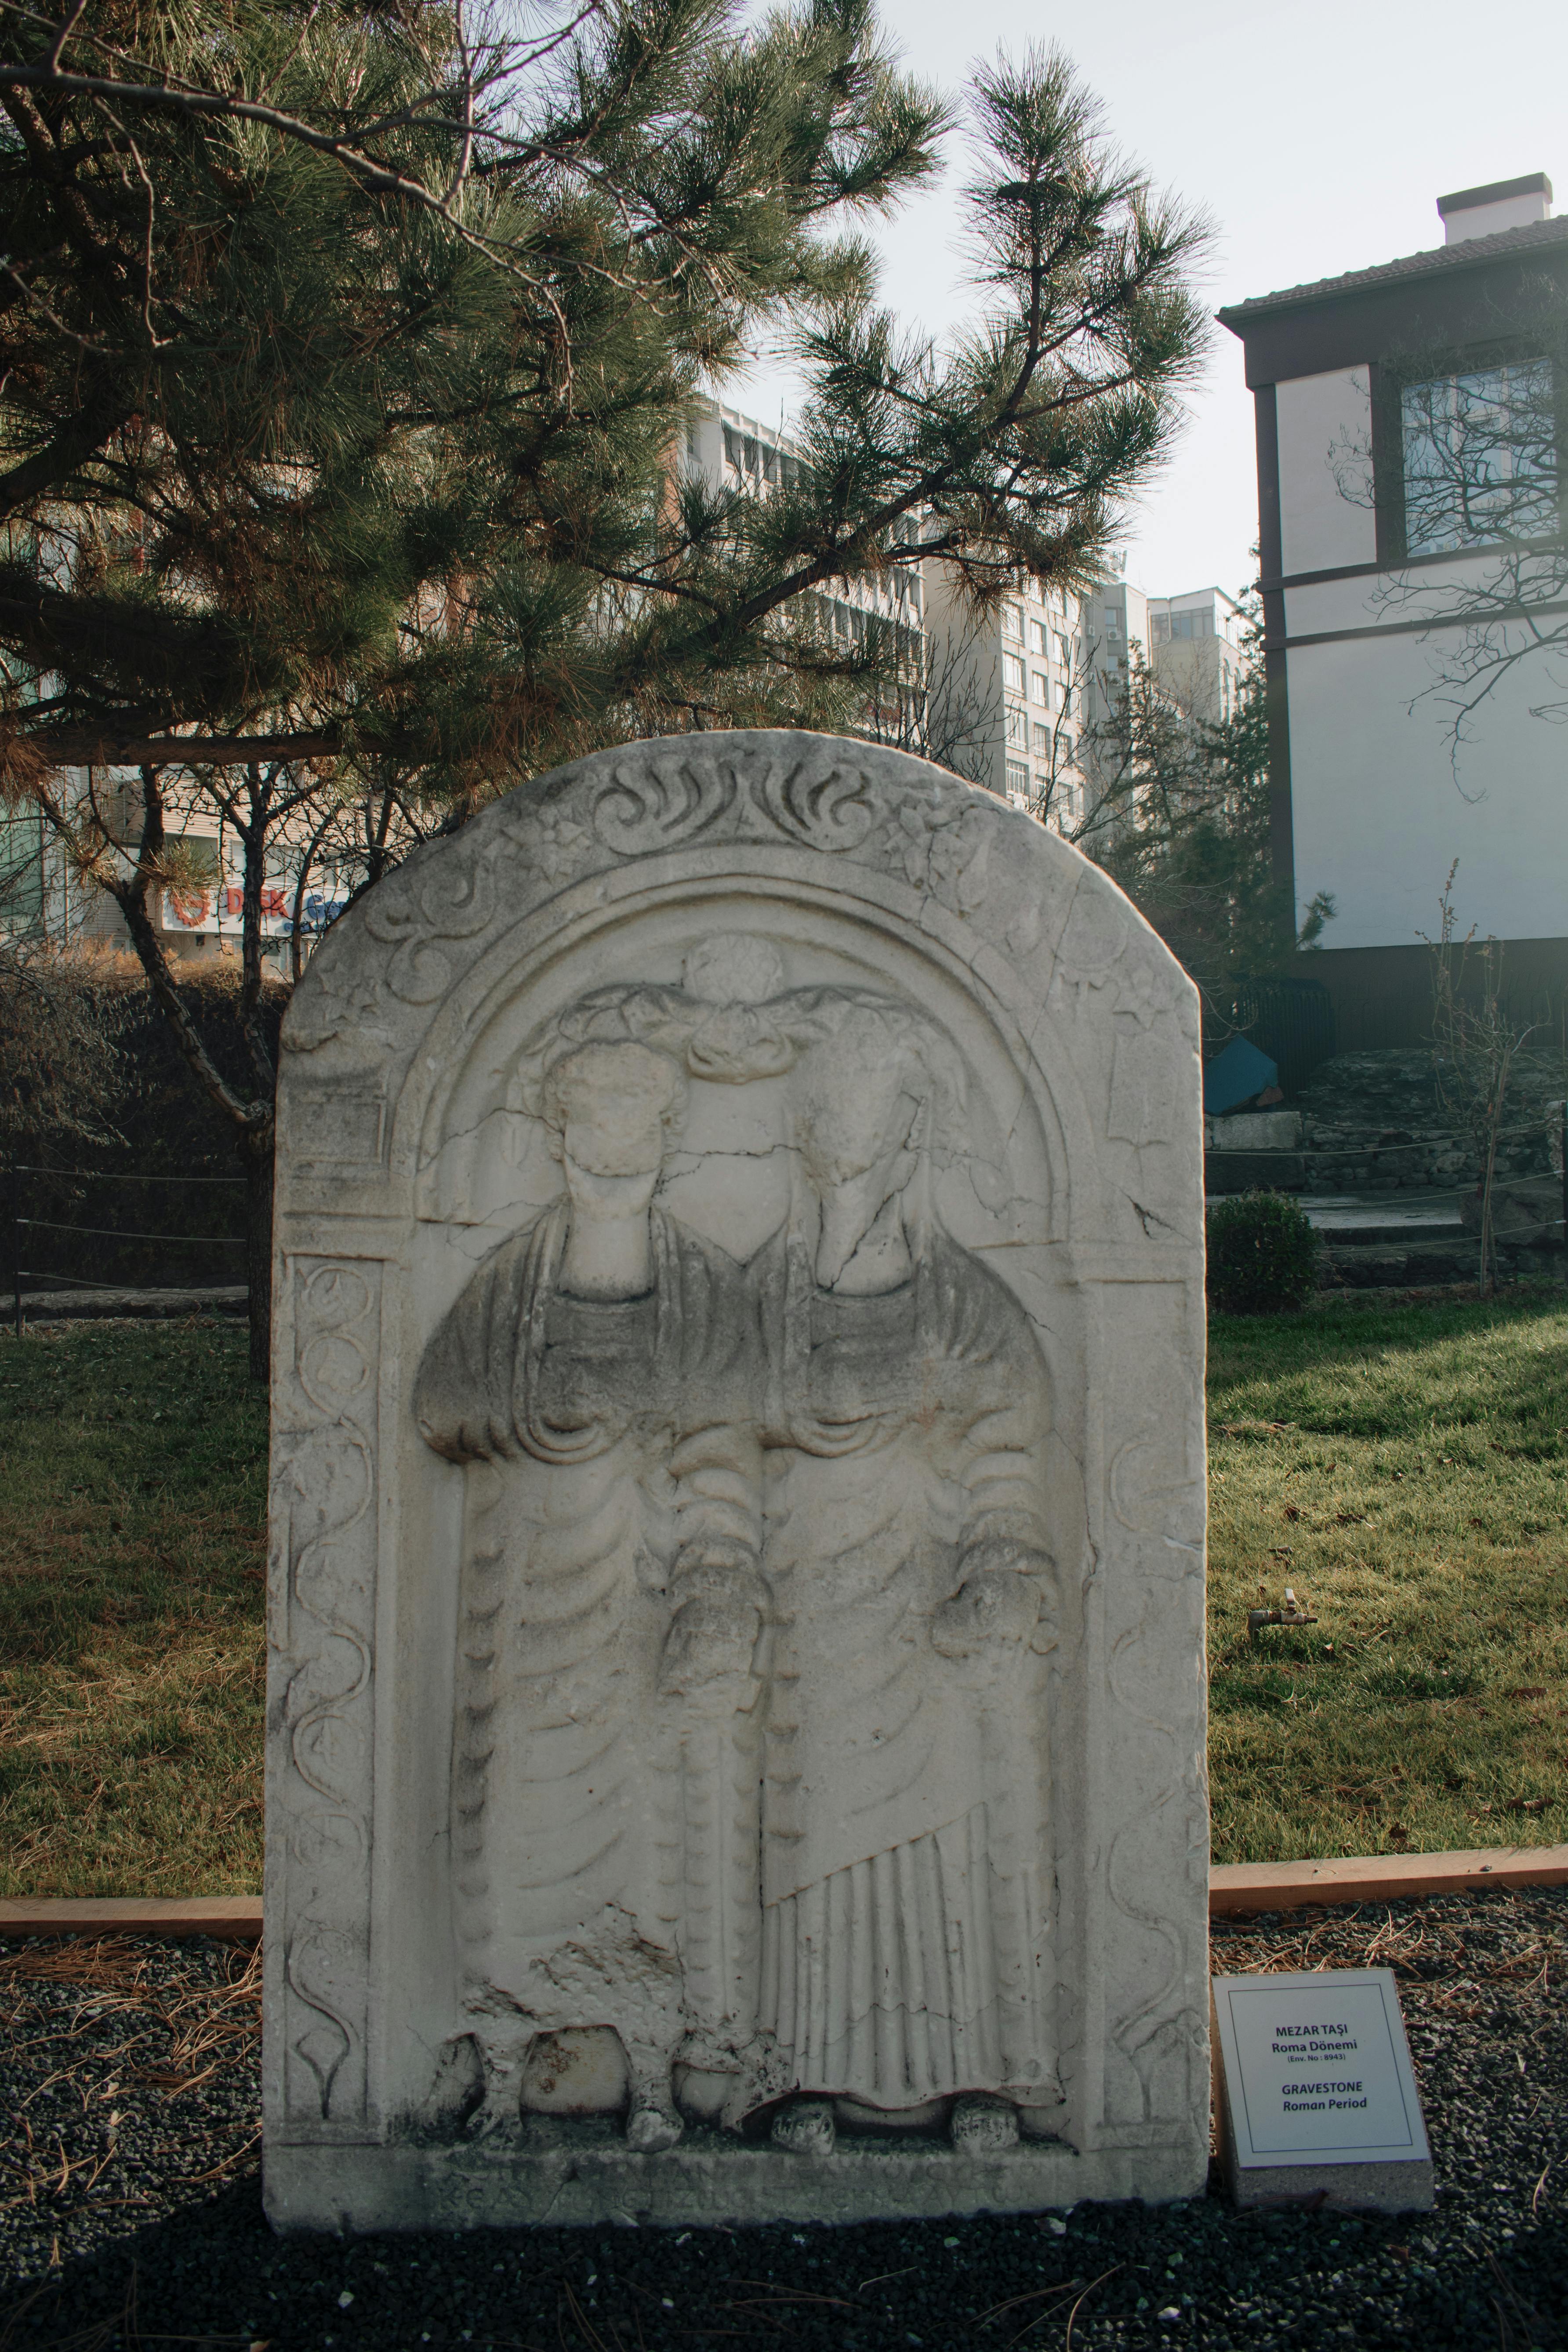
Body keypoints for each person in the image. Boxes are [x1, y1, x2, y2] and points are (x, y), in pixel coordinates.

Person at [414, 1039, 765, 2145]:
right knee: (510, 1819)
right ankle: (512, 2064)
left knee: (652, 1829)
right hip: (522, 1611)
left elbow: (726, 1439)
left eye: (633, 1119)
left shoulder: (700, 1281)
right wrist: (539, 1417)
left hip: (647, 1601)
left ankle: (654, 2075)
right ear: (559, 1134)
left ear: (663, 1140)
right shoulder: (513, 1275)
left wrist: (712, 1573)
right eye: (590, 1118)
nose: (609, 1140)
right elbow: (441, 1405)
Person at [751, 1011, 1059, 2147]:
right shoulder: (766, 1299)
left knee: (952, 1841)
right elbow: (721, 1449)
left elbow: (1006, 1457)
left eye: (859, 1092)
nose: (833, 1114)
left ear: (909, 1126)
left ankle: (974, 2078)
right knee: (816, 1842)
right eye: (821, 1094)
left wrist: (998, 1566)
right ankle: (806, 2079)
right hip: (810, 1624)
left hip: (930, 1620)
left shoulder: (968, 1302)